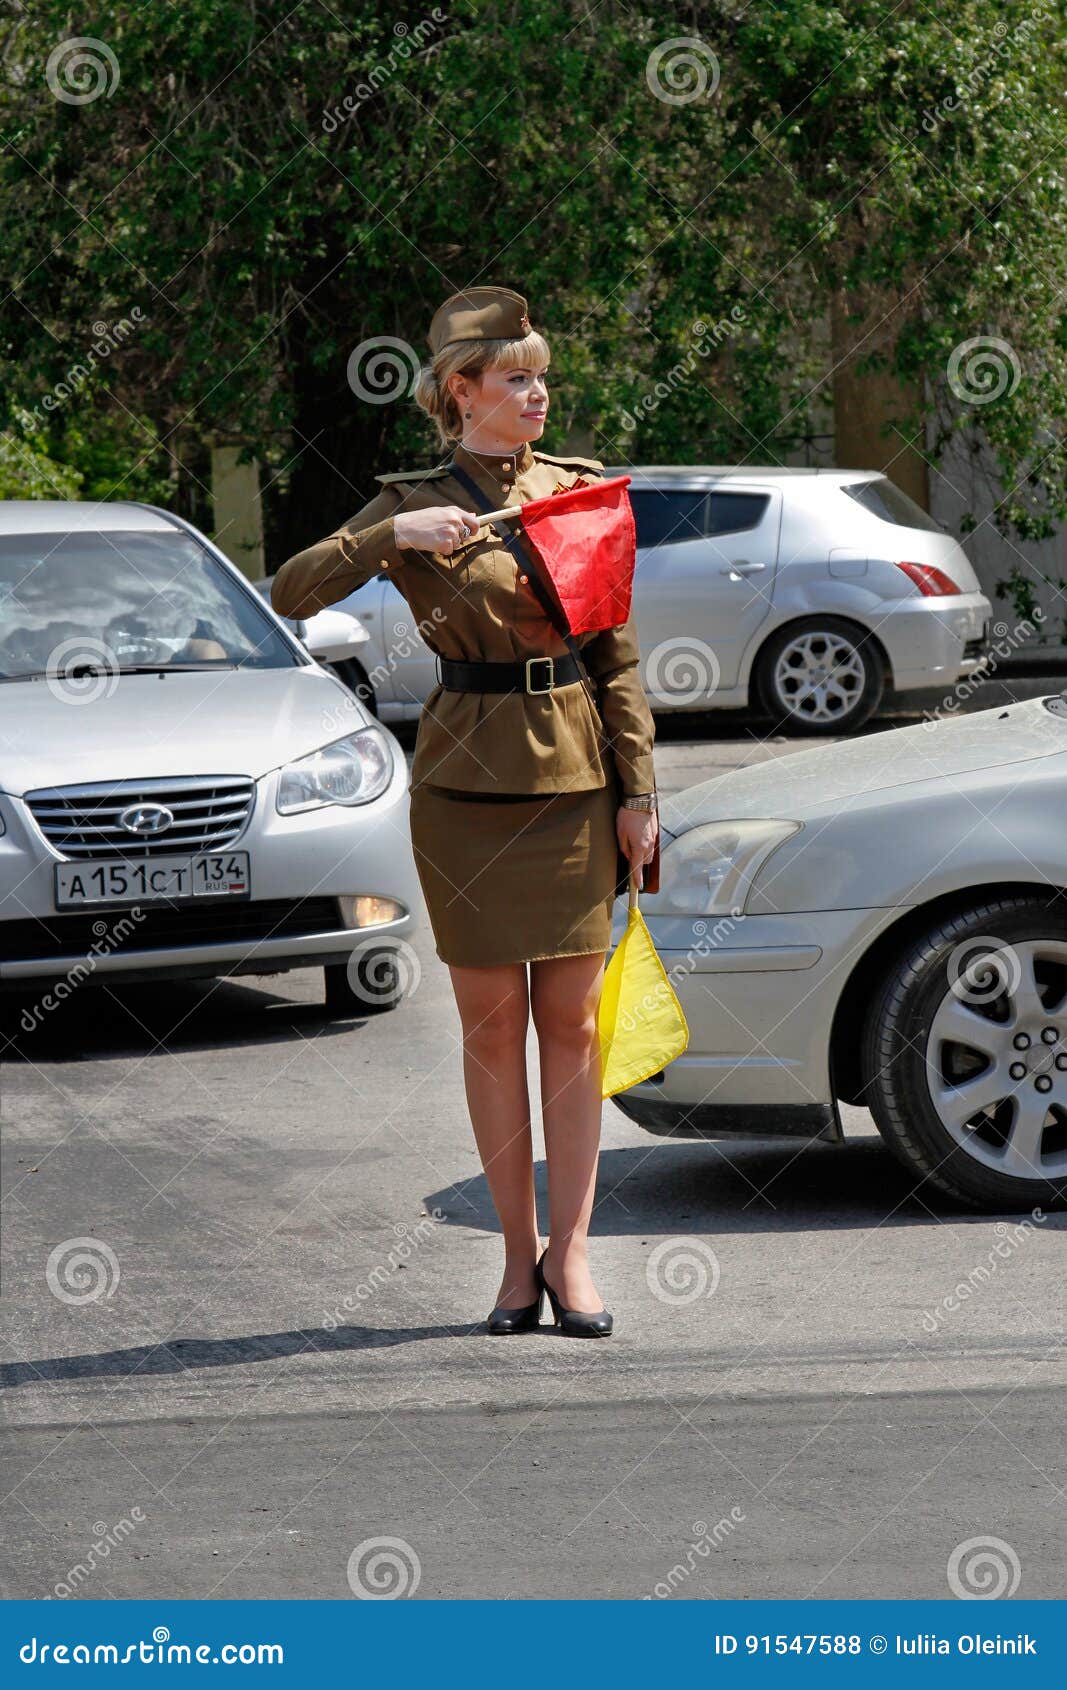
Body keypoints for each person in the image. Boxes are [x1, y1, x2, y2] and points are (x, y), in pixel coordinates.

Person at [270, 284, 658, 1338]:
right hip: (463, 792)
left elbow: (615, 659)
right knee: (493, 1031)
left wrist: (641, 797)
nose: (537, 394)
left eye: (541, 377)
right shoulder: (412, 504)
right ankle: (512, 1263)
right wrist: (389, 533)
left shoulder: (574, 493)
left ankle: (573, 1256)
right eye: (516, 378)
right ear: (460, 392)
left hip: (577, 783)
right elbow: (289, 594)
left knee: (570, 1027)